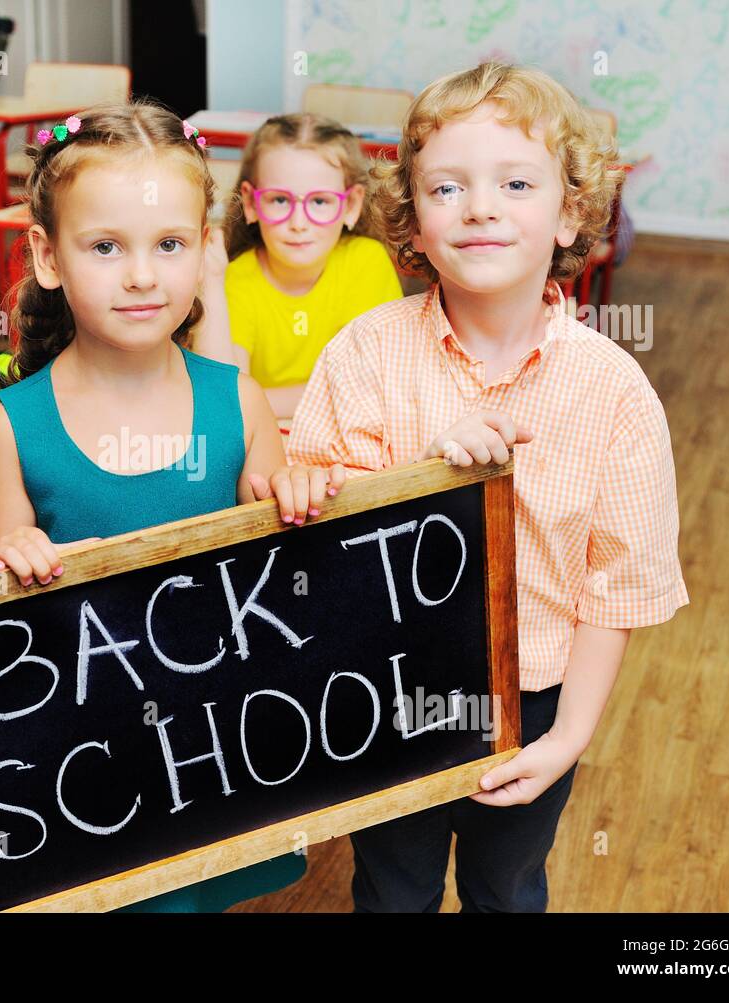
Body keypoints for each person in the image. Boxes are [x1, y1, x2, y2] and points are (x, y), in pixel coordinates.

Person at [288, 62, 689, 912]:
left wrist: (570, 736)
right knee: (391, 888)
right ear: (413, 222)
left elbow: (613, 587)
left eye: (515, 182)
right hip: (386, 690)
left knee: (507, 889)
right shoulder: (362, 354)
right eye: (447, 187)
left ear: (570, 212)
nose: (480, 207)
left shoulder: (614, 392)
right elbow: (312, 529)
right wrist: (426, 478)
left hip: (534, 699)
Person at [0, 102, 346, 911]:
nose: (142, 275)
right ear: (47, 255)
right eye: (105, 247)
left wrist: (299, 493)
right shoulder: (10, 430)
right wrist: (13, 561)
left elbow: (275, 548)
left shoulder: (239, 403)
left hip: (214, 749)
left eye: (169, 245)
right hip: (87, 771)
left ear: (205, 248)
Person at [193, 113, 402, 419]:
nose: (299, 224)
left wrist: (258, 401)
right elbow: (226, 402)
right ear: (252, 204)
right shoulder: (236, 279)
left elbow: (371, 387)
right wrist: (211, 281)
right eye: (279, 200)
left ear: (351, 205)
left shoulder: (366, 261)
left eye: (319, 202)